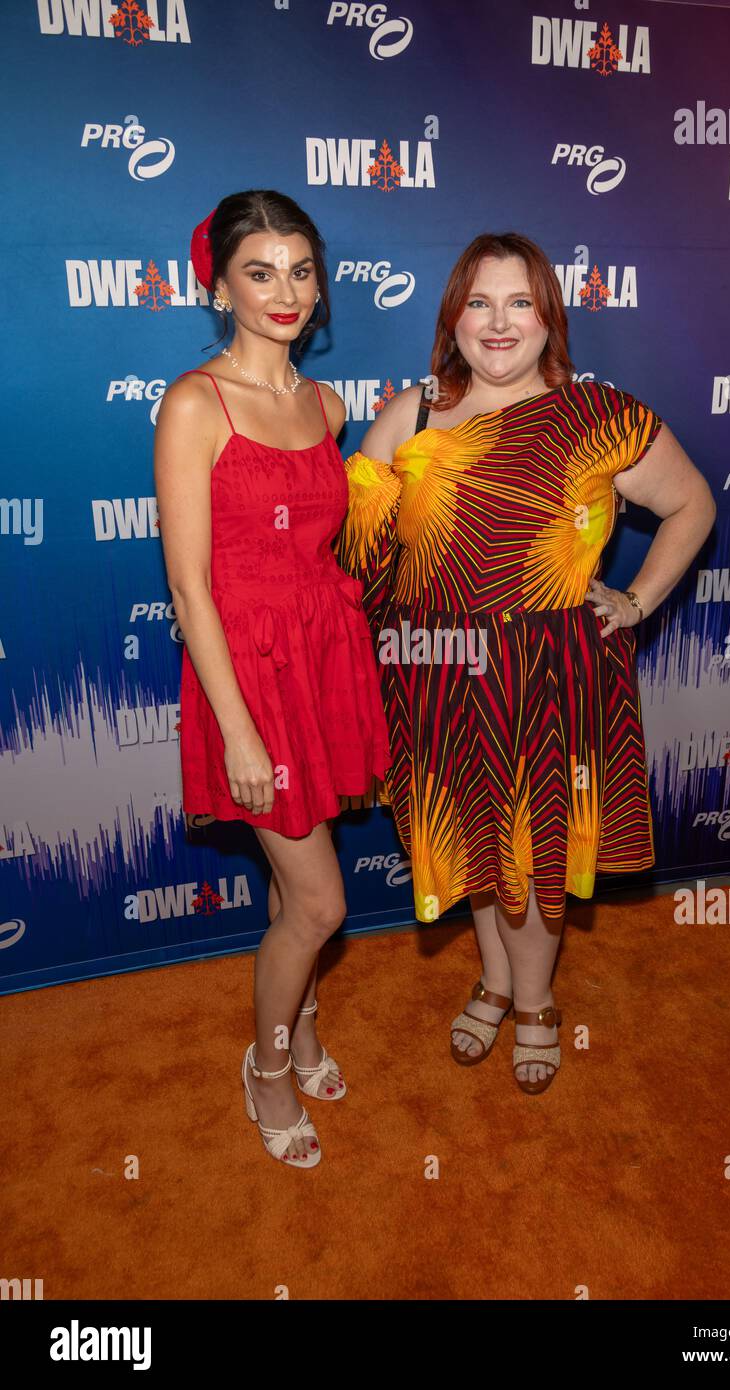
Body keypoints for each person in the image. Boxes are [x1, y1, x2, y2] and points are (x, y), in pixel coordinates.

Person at [334, 232, 716, 1095]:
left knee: (534, 853)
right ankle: (496, 980)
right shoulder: (414, 413)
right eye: (478, 302)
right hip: (430, 667)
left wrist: (638, 600)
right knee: (471, 839)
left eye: (519, 303)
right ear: (452, 319)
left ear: (549, 320)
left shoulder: (600, 416)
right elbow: (355, 551)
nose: (497, 323)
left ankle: (535, 1001)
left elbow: (692, 503)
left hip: (547, 674)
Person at [154, 190, 391, 1168]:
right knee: (323, 904)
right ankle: (266, 1069)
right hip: (244, 673)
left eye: (301, 270)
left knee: (297, 888)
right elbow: (188, 585)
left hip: (322, 658)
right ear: (220, 287)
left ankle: (300, 1026)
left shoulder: (326, 406)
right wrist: (240, 730)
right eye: (261, 271)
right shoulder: (193, 404)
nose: (286, 291)